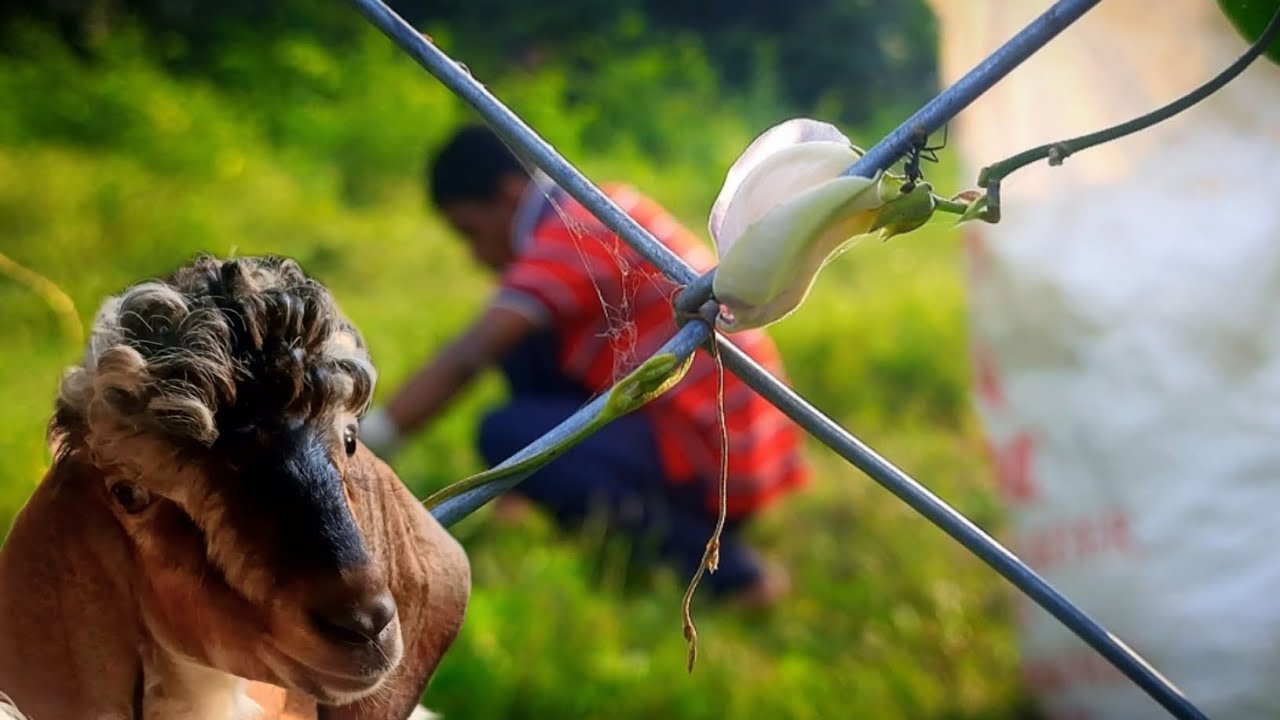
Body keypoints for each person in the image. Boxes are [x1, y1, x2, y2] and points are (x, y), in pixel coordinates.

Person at [360, 123, 810, 607]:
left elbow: (470, 355)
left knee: (505, 433)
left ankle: (733, 575)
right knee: (525, 343)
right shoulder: (597, 203)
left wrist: (366, 445)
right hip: (736, 435)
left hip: (716, 455)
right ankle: (531, 491)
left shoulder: (570, 234)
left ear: (510, 195)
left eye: (471, 232)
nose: (474, 254)